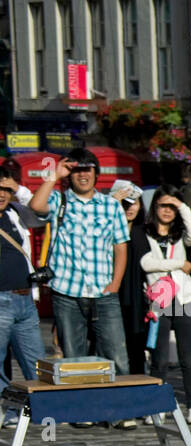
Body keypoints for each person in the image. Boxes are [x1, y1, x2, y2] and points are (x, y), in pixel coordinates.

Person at [28, 149, 132, 386]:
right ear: (69, 174)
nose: (82, 175)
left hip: (104, 292)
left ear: (96, 174)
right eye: (77, 170)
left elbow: (121, 248)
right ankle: (83, 412)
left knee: (116, 354)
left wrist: (115, 284)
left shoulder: (110, 205)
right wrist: (54, 175)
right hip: (67, 292)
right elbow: (36, 206)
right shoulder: (58, 200)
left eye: (88, 169)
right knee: (74, 358)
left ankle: (122, 411)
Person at [139, 185, 191, 422]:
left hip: (185, 300)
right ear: (154, 206)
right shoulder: (143, 233)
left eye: (172, 206)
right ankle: (157, 405)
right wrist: (178, 264)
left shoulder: (181, 234)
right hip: (157, 302)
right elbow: (147, 264)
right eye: (163, 205)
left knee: (188, 358)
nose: (167, 210)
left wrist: (183, 206)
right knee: (159, 359)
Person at [0, 172, 42, 412]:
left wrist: (17, 187)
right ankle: (10, 411)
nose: (2, 194)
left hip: (24, 298)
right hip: (1, 299)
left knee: (36, 362)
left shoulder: (16, 212)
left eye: (6, 190)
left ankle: (41, 407)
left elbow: (39, 213)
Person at [111, 182, 149, 376]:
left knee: (136, 348)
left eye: (134, 202)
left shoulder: (144, 232)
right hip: (112, 295)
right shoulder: (107, 230)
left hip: (138, 298)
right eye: (125, 203)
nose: (130, 207)